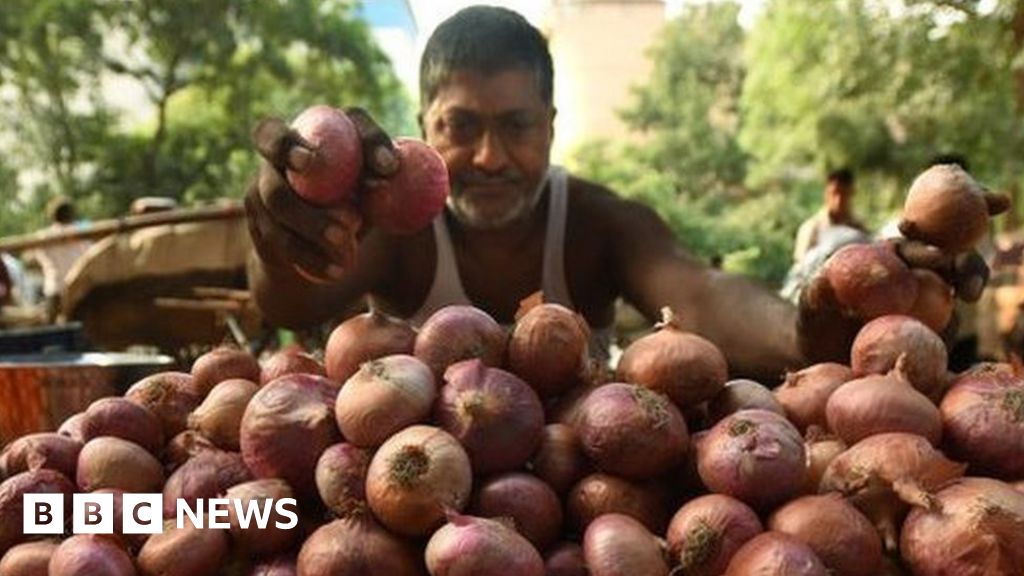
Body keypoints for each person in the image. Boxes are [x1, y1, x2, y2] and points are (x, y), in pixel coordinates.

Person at [244, 5, 993, 382]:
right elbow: (290, 304)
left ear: (552, 125)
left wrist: (806, 326)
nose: (490, 156)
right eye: (460, 126)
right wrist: (290, 233)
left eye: (517, 126)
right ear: (418, 128)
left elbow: (699, 295)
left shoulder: (598, 224)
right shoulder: (396, 229)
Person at [24, 196, 92, 322]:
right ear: (72, 214)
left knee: (53, 330)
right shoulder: (83, 232)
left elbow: (29, 258)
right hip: (81, 290)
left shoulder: (43, 236)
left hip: (56, 289)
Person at [792, 168, 865, 264]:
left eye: (844, 194)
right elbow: (801, 265)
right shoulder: (812, 229)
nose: (839, 200)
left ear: (852, 194)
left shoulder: (858, 228)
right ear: (826, 193)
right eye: (834, 193)